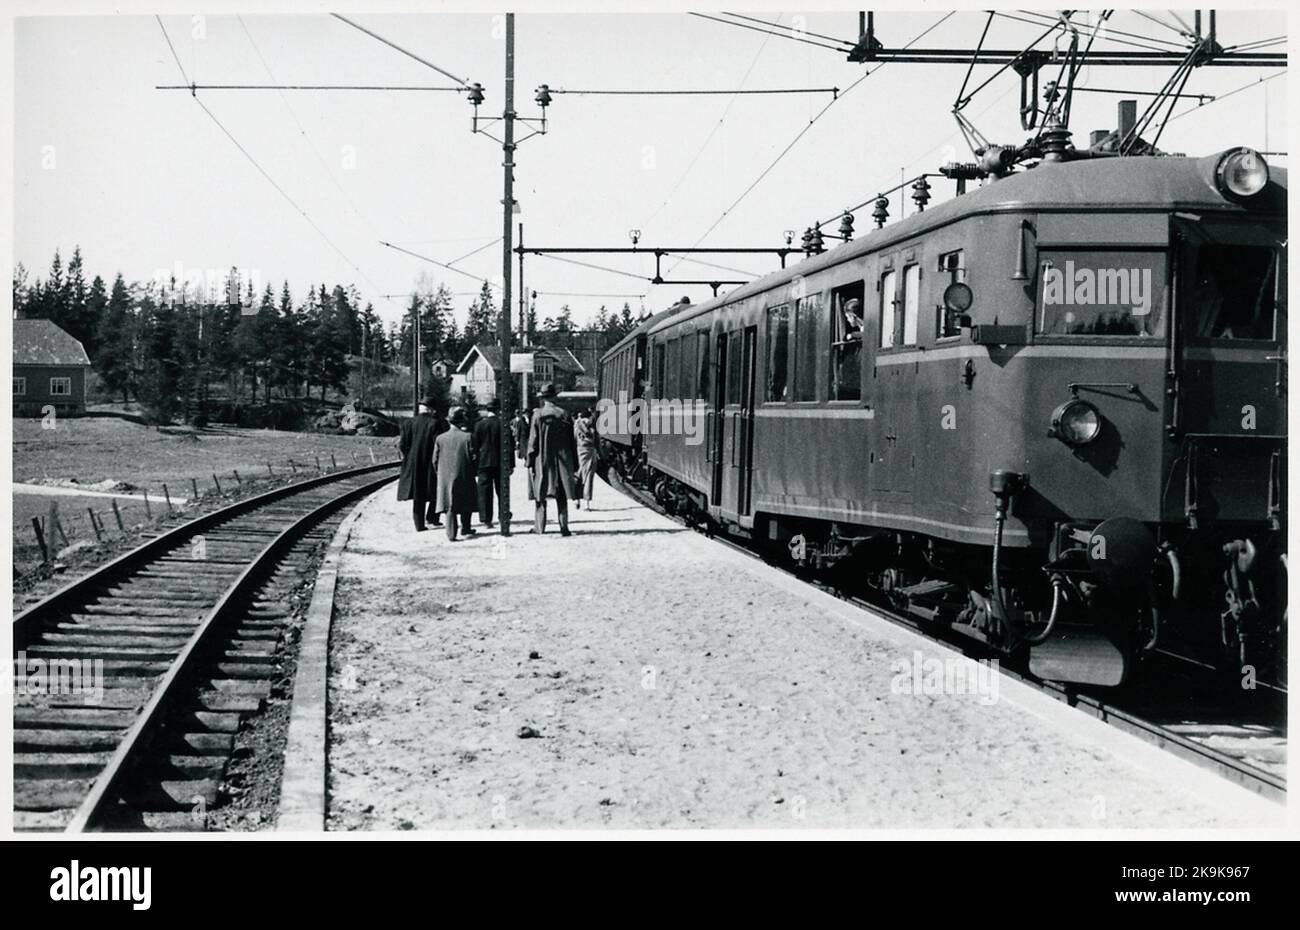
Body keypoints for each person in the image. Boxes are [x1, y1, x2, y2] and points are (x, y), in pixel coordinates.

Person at [527, 382, 578, 536]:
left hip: (542, 460)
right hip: (562, 459)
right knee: (561, 495)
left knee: (540, 493)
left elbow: (533, 441)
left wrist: (530, 460)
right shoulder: (565, 414)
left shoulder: (538, 415)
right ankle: (564, 527)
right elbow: (572, 441)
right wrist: (574, 463)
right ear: (555, 396)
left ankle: (540, 527)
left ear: (543, 398)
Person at [432, 406, 477, 541]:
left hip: (445, 476)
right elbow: (474, 457)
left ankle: (451, 533)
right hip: (464, 473)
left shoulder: (440, 439)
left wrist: (440, 473)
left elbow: (434, 460)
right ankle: (466, 528)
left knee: (449, 505)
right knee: (466, 501)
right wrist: (473, 471)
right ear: (461, 422)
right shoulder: (468, 437)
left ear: (449, 422)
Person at [396, 395, 440, 531]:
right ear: (431, 410)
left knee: (417, 493)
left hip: (412, 462)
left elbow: (402, 444)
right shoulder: (435, 423)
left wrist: (408, 456)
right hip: (429, 463)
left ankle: (419, 524)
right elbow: (437, 444)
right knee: (434, 489)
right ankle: (432, 517)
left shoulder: (408, 423)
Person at [471, 398, 509, 528]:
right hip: (500, 462)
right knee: (502, 490)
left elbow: (474, 445)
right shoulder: (502, 424)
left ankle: (486, 518)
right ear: (498, 410)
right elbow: (508, 445)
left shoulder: (479, 425)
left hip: (483, 462)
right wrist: (511, 464)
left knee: (484, 491)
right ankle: (503, 515)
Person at [573, 408, 597, 510]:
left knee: (578, 476)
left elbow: (573, 440)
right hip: (590, 453)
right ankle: (587, 504)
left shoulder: (576, 426)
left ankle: (576, 499)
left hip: (579, 452)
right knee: (588, 478)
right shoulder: (592, 428)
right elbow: (597, 442)